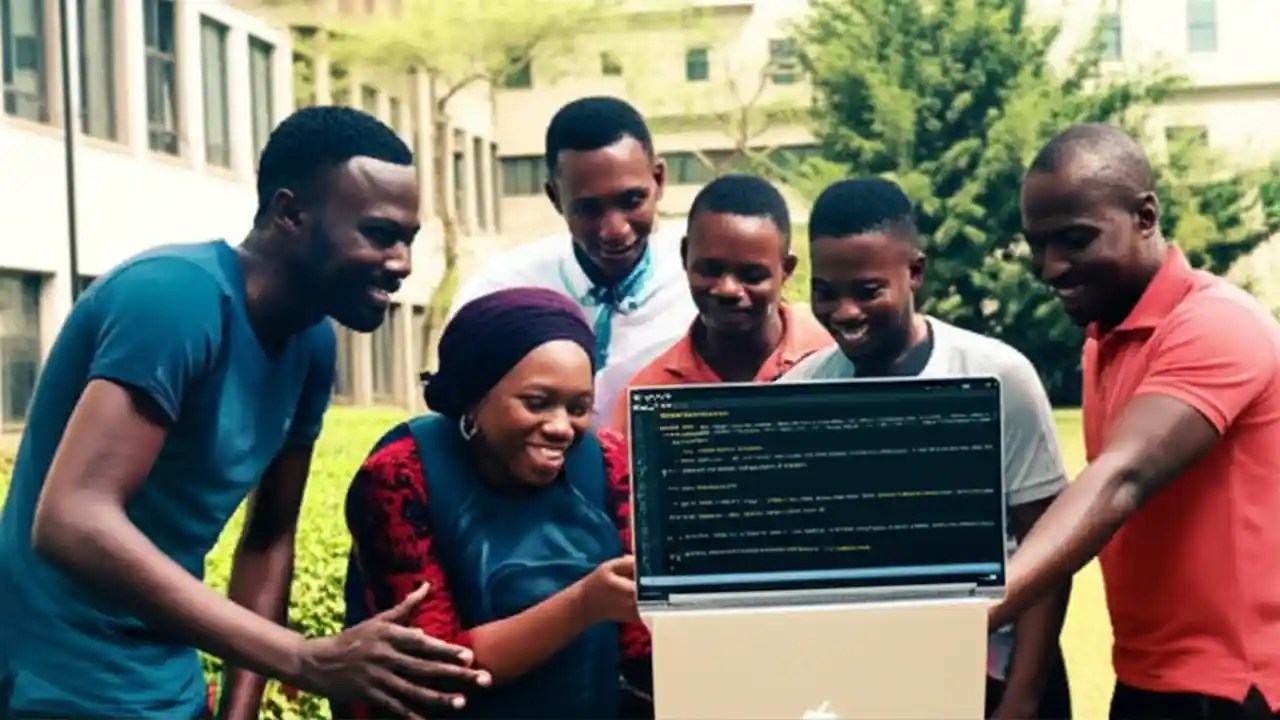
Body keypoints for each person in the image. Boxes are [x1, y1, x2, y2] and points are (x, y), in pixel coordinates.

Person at [0, 106, 489, 719]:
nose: (402, 263)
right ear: (290, 213)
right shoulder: (174, 298)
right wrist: (303, 657)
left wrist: (242, 706)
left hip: (163, 677)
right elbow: (71, 517)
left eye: (409, 239)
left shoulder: (313, 342)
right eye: (379, 234)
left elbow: (269, 535)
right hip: (55, 681)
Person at [993, 123, 1280, 720]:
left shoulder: (1216, 325)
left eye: (1075, 239)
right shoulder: (1105, 338)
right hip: (1146, 677)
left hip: (1232, 689)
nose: (1051, 267)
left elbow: (1121, 478)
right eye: (1038, 245)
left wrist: (975, 611)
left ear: (1146, 216)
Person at [777, 177, 1073, 720]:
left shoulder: (997, 377)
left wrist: (1023, 694)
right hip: (867, 687)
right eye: (825, 291)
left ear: (914, 272)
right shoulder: (797, 395)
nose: (843, 312)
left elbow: (1049, 551)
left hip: (995, 680)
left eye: (867, 291)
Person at [338, 287, 652, 719]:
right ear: (476, 396)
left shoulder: (609, 462)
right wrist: (584, 604)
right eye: (537, 403)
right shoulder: (402, 474)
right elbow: (432, 667)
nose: (562, 427)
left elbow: (639, 647)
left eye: (579, 407)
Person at [448, 96, 696, 424]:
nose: (616, 230)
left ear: (659, 179)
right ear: (555, 197)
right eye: (589, 209)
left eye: (632, 200)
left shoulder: (699, 290)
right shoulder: (500, 293)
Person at [609, 173, 829, 435]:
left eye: (752, 276)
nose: (728, 290)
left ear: (786, 270)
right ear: (685, 256)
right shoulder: (650, 397)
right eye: (710, 270)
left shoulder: (830, 360)